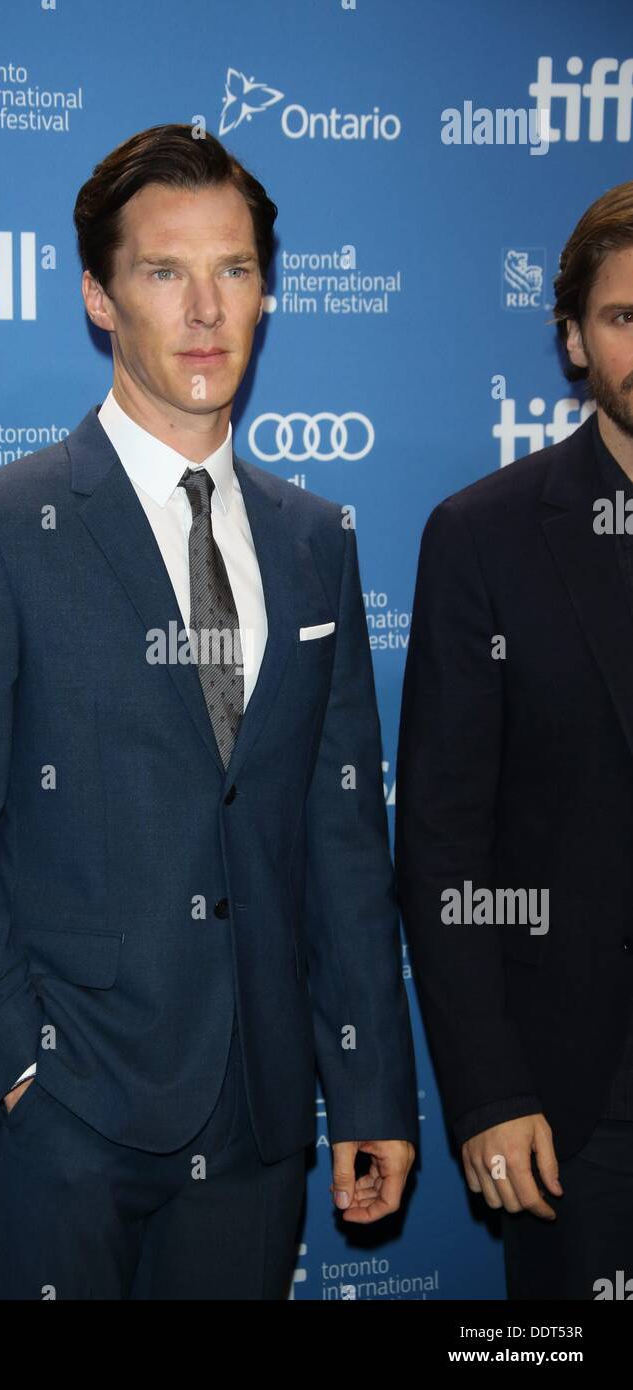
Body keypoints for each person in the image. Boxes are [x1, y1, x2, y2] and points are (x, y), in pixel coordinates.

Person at [0, 123, 417, 1301]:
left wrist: (369, 1083)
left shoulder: (314, 541)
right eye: (164, 272)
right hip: (64, 1113)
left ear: (266, 293)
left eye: (231, 269)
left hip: (260, 1110)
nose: (203, 308)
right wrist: (12, 1068)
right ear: (98, 297)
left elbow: (337, 837)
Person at [395, 181, 633, 1300]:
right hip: (585, 1105)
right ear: (573, 341)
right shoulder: (484, 537)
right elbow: (441, 848)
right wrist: (487, 1090)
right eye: (625, 317)